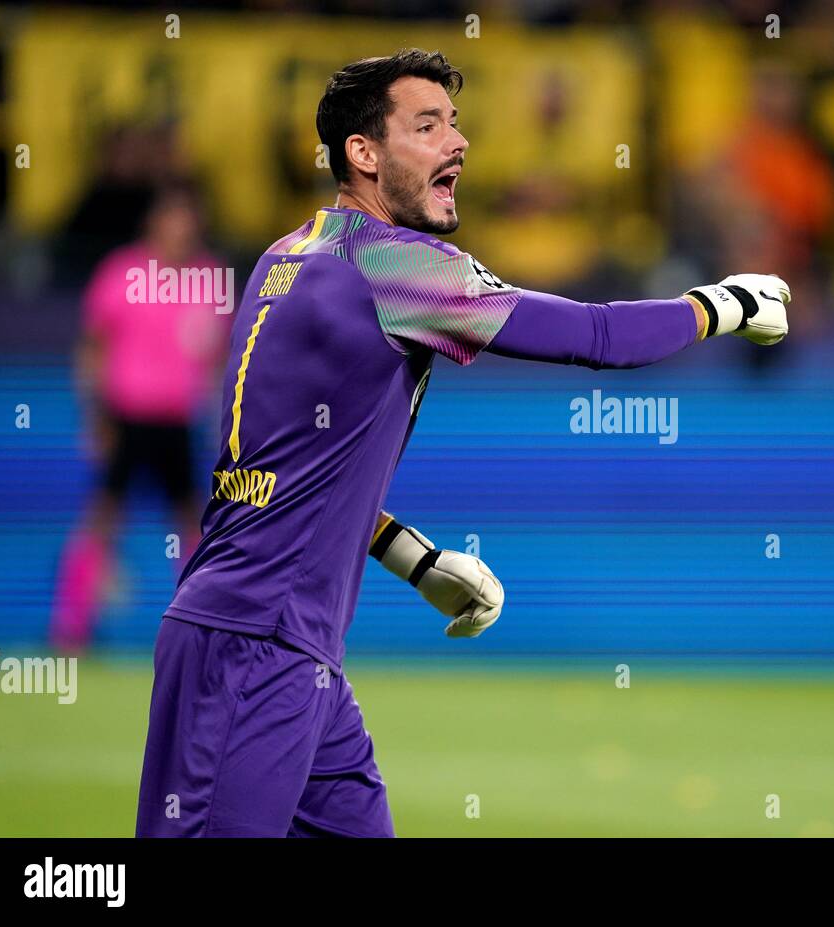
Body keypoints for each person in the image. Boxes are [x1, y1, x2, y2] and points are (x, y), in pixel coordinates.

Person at [135, 49, 791, 837]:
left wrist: (414, 558)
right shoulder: (393, 266)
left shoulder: (285, 257)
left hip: (289, 646)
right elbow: (598, 336)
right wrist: (723, 303)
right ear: (363, 154)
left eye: (454, 122)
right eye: (427, 124)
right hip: (251, 645)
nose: (458, 141)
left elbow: (282, 475)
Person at [50, 182, 229, 652]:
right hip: (126, 418)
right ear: (153, 223)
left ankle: (202, 630)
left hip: (178, 425)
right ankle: (71, 629)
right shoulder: (120, 273)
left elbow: (220, 362)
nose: (179, 228)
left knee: (194, 526)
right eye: (171, 218)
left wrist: (219, 423)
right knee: (102, 520)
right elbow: (92, 348)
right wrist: (95, 417)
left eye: (187, 219)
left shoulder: (209, 277)